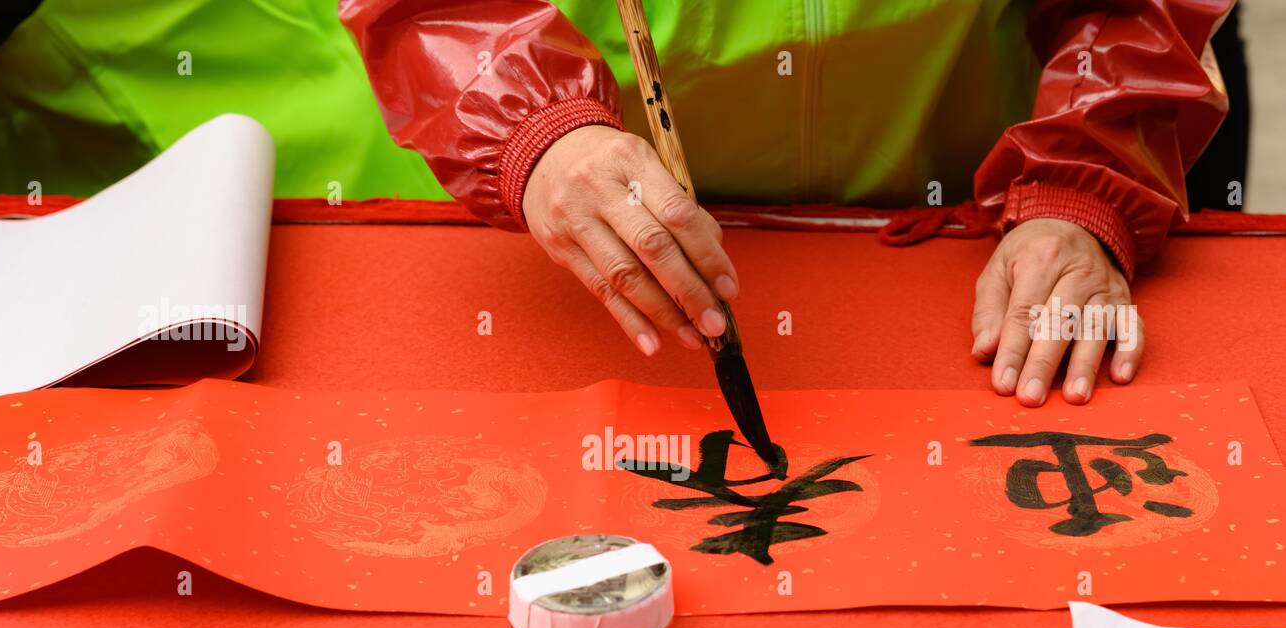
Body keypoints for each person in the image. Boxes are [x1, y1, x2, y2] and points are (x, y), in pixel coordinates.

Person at [339, 0, 1234, 407]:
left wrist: (1082, 179)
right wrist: (533, 129)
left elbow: (1134, 9)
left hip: (959, 234)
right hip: (605, 215)